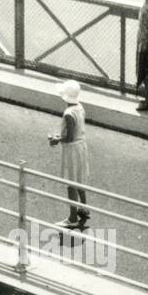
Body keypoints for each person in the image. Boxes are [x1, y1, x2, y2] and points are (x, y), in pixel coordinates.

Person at [49, 80, 90, 228]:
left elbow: (70, 137)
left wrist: (56, 139)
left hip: (72, 149)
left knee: (71, 184)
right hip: (81, 147)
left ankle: (72, 217)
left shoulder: (68, 113)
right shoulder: (80, 108)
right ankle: (84, 207)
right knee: (80, 179)